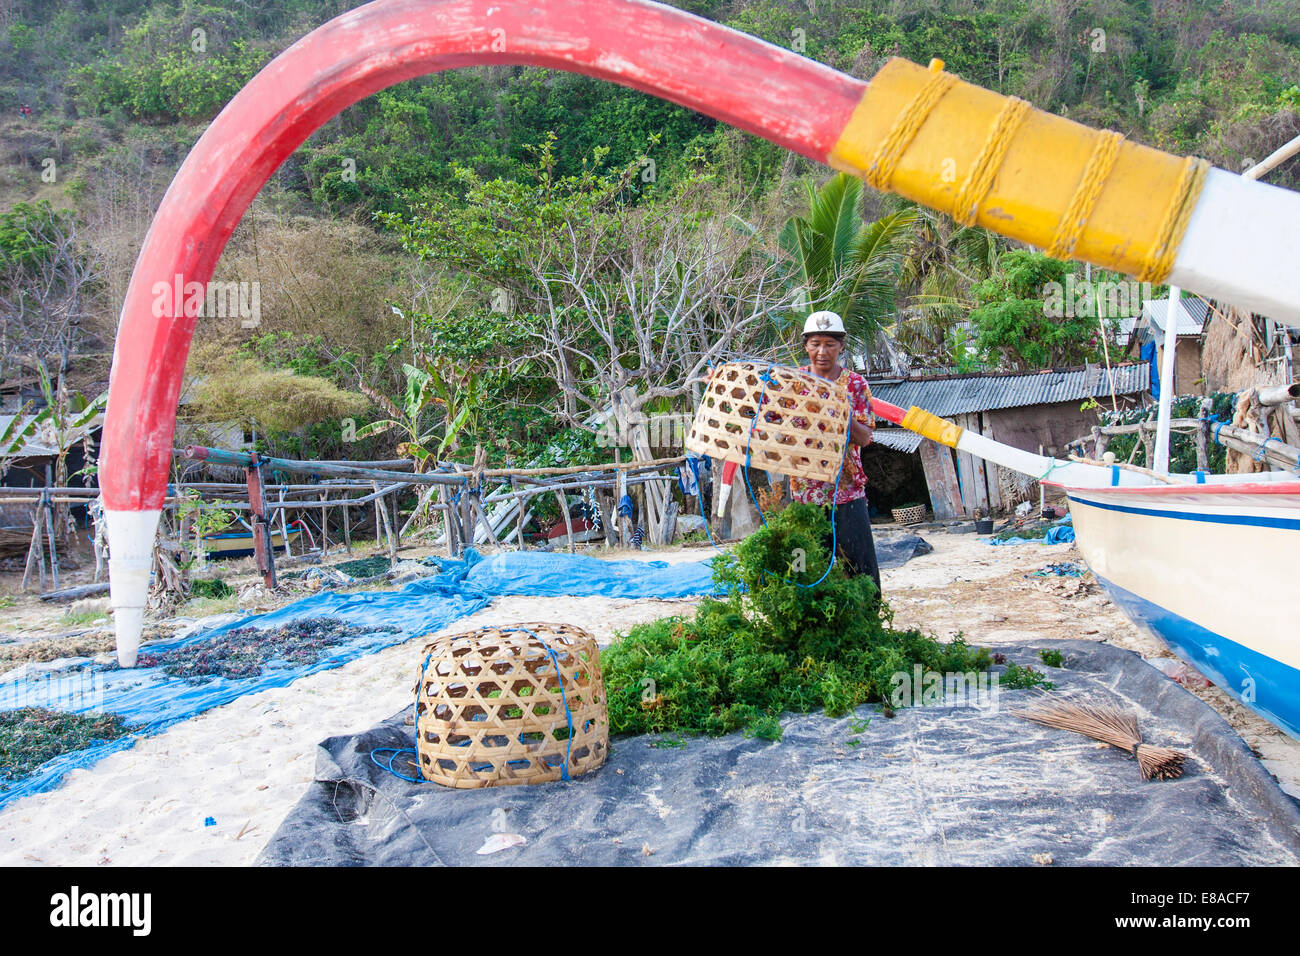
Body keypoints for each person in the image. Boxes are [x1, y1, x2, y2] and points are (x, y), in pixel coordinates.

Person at [788, 310, 883, 596]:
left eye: (830, 344)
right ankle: (802, 621)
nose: (822, 351)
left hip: (847, 494)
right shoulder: (792, 382)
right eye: (815, 343)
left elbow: (865, 437)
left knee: (860, 569)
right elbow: (760, 411)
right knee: (801, 568)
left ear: (841, 346)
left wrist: (839, 410)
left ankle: (868, 626)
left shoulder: (855, 385)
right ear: (806, 346)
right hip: (802, 495)